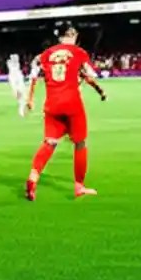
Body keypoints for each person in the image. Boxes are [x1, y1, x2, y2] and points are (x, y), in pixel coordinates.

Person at [25, 27, 107, 201]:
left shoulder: (45, 54)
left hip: (52, 104)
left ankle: (33, 178)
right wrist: (100, 91)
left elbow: (33, 74)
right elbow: (90, 74)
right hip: (72, 103)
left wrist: (30, 99)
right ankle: (79, 186)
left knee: (49, 143)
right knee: (80, 143)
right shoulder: (79, 52)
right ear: (74, 36)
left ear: (59, 37)